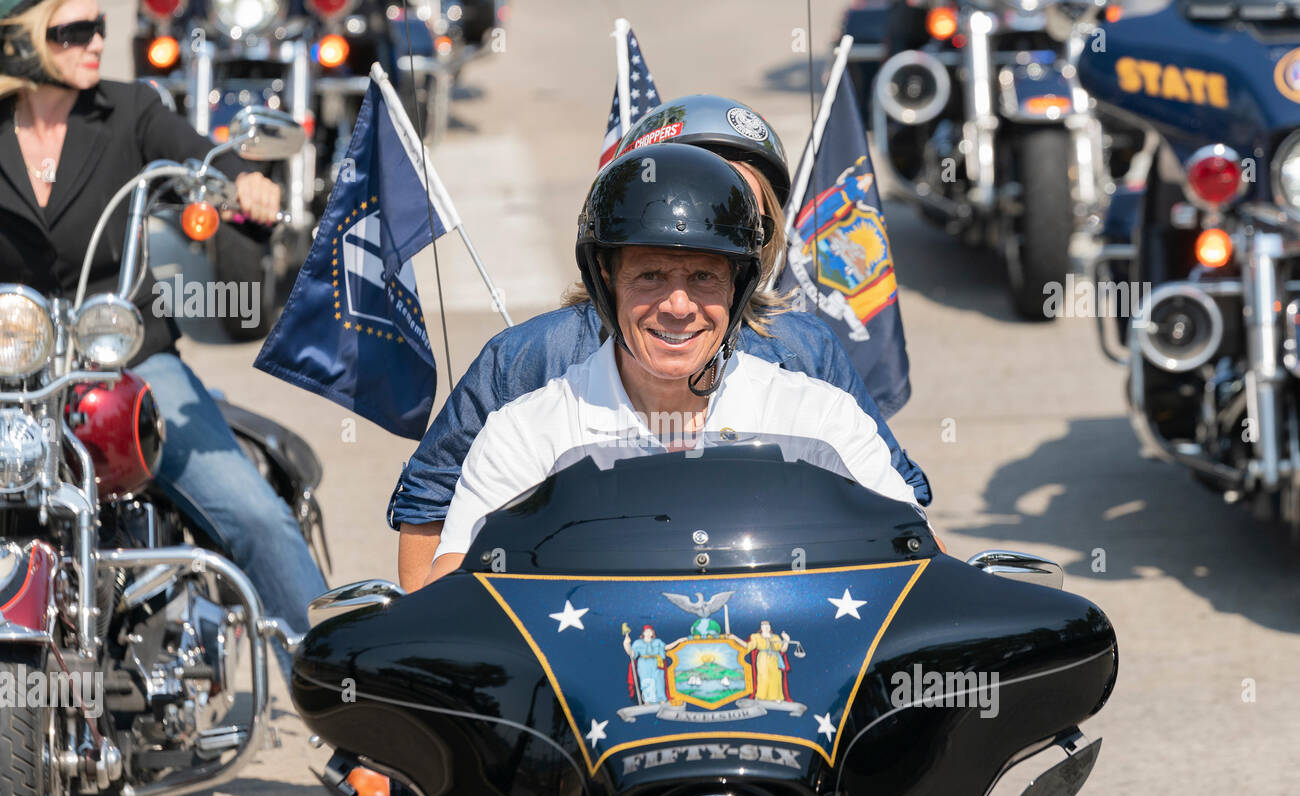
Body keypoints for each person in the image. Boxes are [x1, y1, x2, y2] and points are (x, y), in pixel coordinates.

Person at [389, 94, 932, 592]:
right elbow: (438, 527)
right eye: (651, 272)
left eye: (706, 269)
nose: (678, 305)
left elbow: (905, 534)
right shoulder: (528, 379)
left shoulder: (807, 370)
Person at [0, 0, 325, 669]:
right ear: (19, 41)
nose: (96, 42)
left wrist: (243, 179)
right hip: (13, 365)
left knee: (255, 516)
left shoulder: (130, 109)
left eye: (100, 27)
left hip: (127, 360)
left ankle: (354, 715)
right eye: (74, 30)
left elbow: (199, 154)